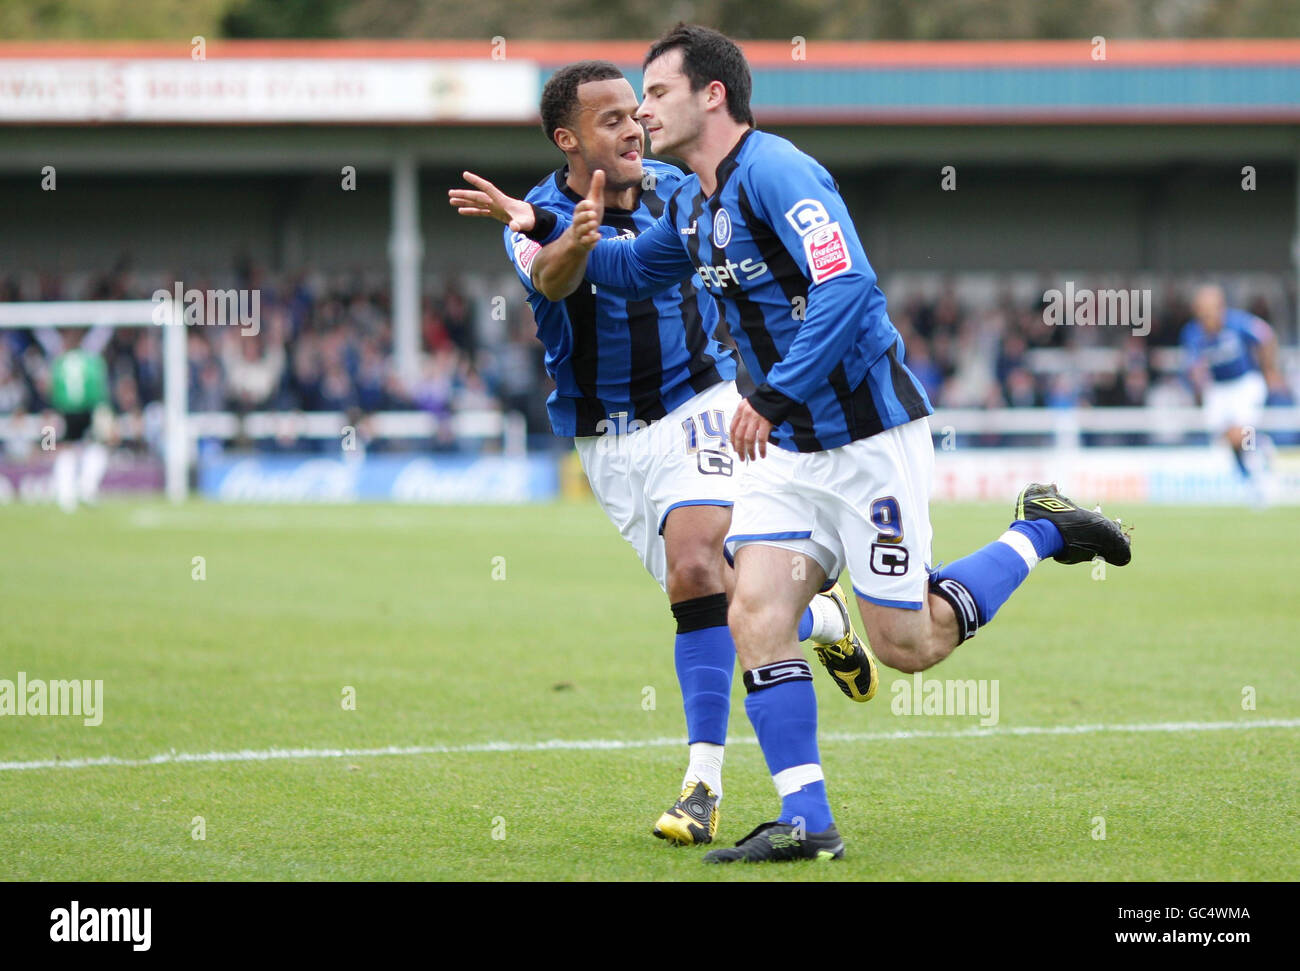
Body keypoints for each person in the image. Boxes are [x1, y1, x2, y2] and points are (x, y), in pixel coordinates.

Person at [520, 25, 1133, 863]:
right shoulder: (693, 204)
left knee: (908, 644)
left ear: (712, 96)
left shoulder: (779, 172)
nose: (643, 112)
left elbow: (848, 284)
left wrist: (773, 393)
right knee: (756, 612)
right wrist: (550, 224)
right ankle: (805, 817)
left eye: (656, 93)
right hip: (786, 451)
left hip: (865, 435)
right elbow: (625, 273)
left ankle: (1042, 527)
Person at [447, 61, 873, 847]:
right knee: (713, 595)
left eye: (634, 113)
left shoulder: (682, 190)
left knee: (695, 563)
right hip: (607, 441)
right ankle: (820, 616)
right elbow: (551, 277)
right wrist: (568, 236)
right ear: (568, 139)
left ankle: (702, 785)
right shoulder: (535, 213)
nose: (633, 127)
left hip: (698, 403)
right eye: (610, 120)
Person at [1181, 284, 1284, 495]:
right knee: (1225, 440)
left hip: (1244, 383)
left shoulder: (1238, 323)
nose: (1206, 315)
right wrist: (1197, 385)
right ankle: (1253, 471)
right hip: (1218, 389)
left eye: (1209, 309)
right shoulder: (1192, 332)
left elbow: (1266, 336)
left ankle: (1259, 450)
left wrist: (1270, 370)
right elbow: (1193, 366)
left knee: (1239, 434)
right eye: (1202, 310)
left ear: (1220, 307)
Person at [35, 326, 112, 512]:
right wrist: (104, 411)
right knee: (97, 446)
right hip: (88, 409)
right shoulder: (92, 360)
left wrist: (49, 416)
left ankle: (66, 495)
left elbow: (48, 388)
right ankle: (87, 488)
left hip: (63, 410)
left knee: (63, 449)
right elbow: (99, 387)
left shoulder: (58, 361)